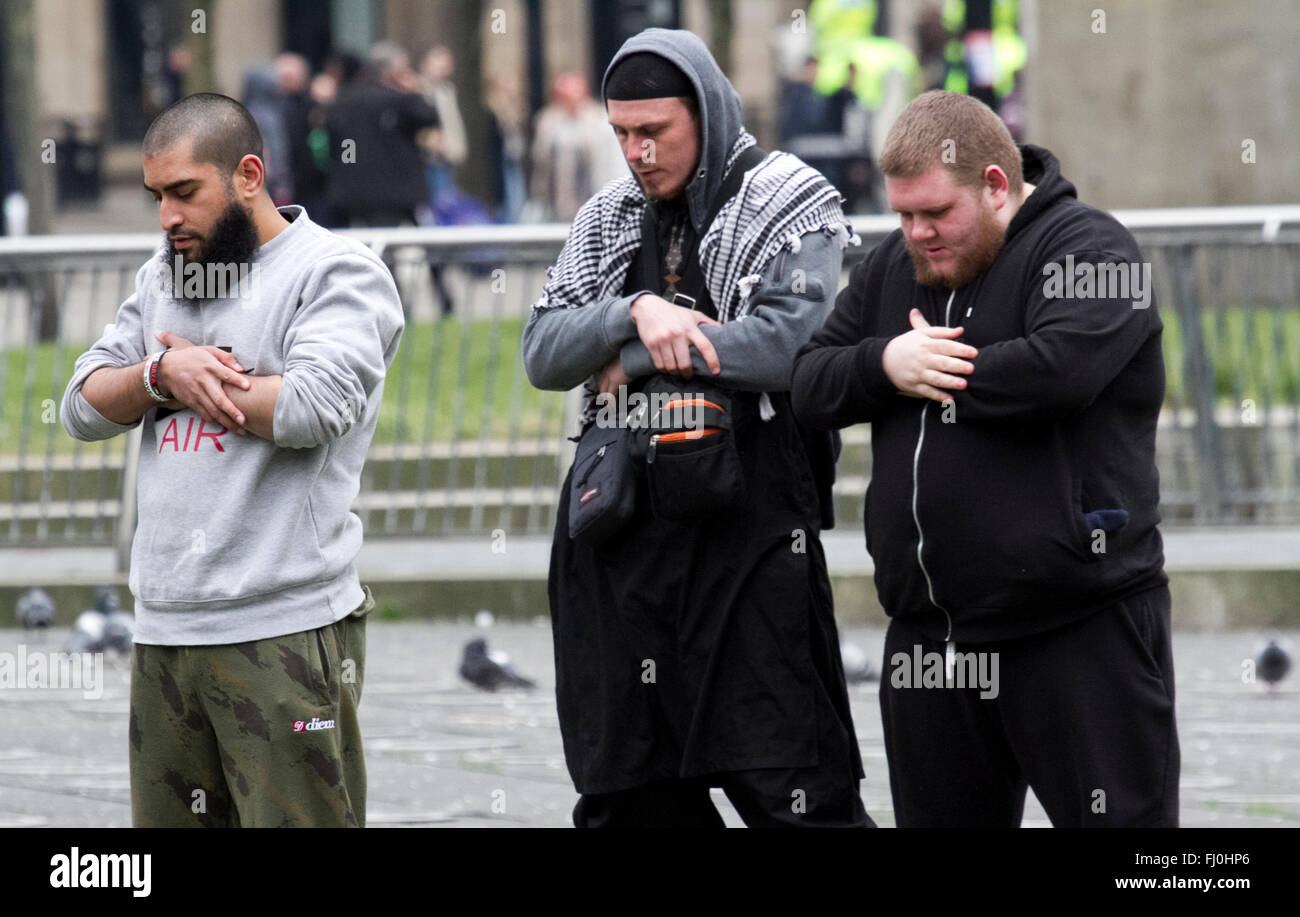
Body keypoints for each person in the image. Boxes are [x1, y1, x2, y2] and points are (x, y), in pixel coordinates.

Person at [791, 90, 1178, 827]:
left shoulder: (1092, 250)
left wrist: (928, 373)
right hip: (931, 639)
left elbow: (1057, 370)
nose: (917, 234)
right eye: (903, 215)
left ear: (996, 186)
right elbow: (810, 378)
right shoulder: (889, 271)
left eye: (936, 213)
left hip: (1077, 628)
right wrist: (884, 365)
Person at [522, 28, 873, 828]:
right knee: (630, 797)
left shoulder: (790, 200)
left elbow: (786, 345)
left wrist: (637, 351)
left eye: (655, 132)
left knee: (795, 792)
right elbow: (542, 349)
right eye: (622, 134)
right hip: (619, 550)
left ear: (706, 115)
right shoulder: (606, 216)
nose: (637, 152)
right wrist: (630, 308)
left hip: (748, 546)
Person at [59, 92, 405, 827]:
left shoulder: (335, 272)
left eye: (184, 192)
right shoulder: (164, 276)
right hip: (163, 631)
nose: (167, 218)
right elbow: (82, 405)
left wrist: (193, 375)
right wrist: (161, 375)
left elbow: (313, 407)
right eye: (156, 196)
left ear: (249, 174)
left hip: (283, 629)